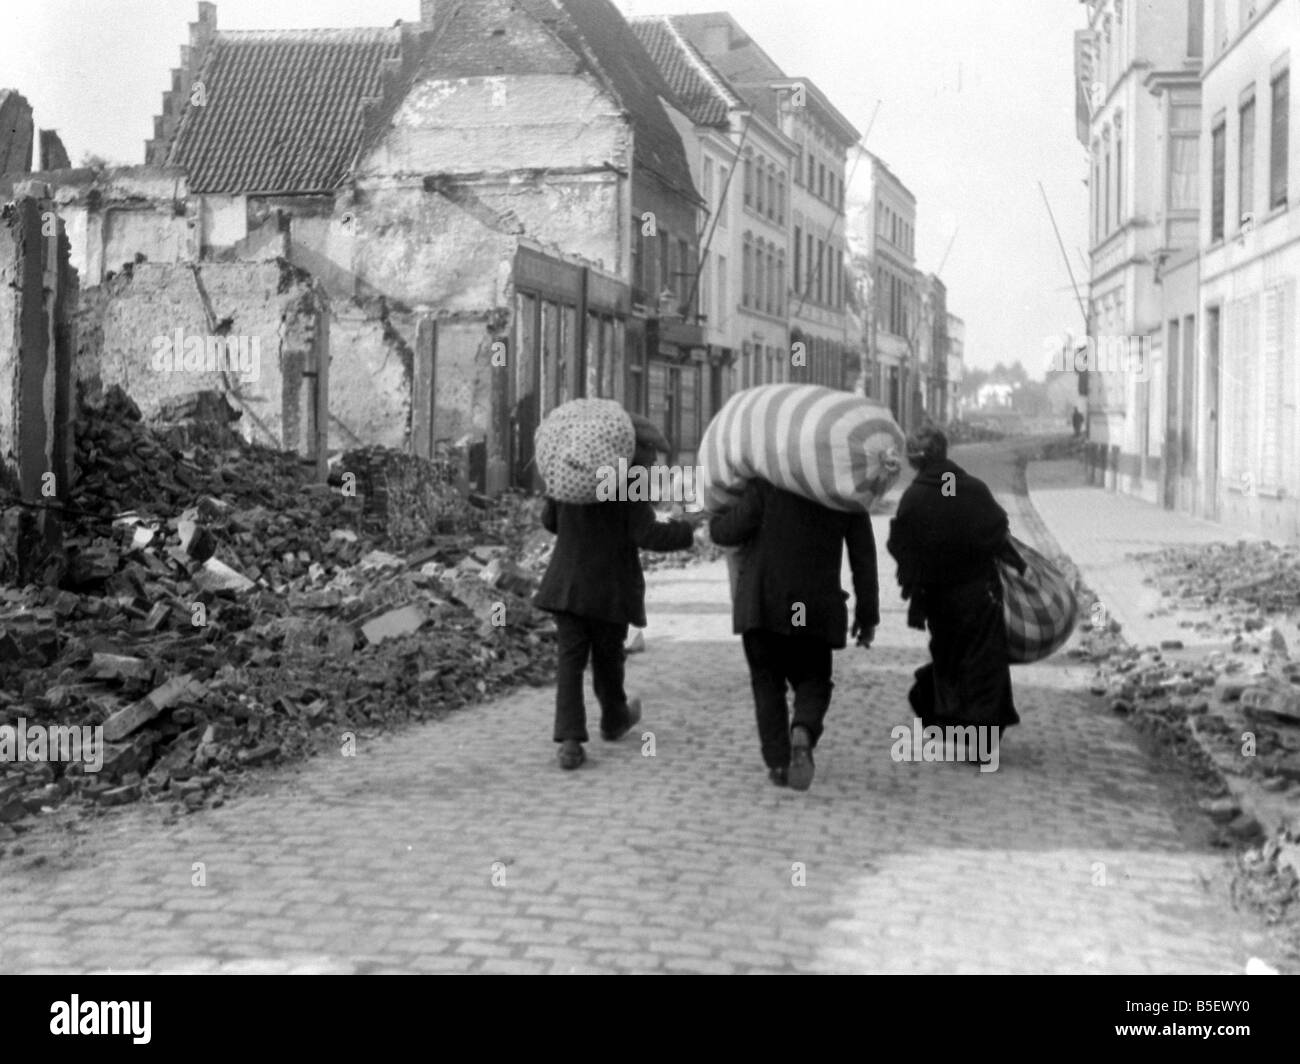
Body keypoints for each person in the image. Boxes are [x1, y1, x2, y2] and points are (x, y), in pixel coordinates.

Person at [534, 420, 700, 771]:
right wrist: (687, 529)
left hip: (566, 585)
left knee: (570, 661)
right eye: (651, 456)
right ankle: (613, 719)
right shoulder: (628, 481)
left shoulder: (570, 474)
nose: (654, 463)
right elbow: (648, 534)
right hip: (609, 589)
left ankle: (570, 741)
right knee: (608, 659)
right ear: (635, 451)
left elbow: (550, 521)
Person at [709, 478, 879, 790]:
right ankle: (802, 729)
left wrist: (715, 514)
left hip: (763, 604)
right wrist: (867, 617)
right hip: (812, 607)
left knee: (767, 682)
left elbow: (725, 533)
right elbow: (863, 559)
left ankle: (777, 763)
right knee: (813, 677)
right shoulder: (842, 489)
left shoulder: (767, 484)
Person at [886, 426, 1019, 750]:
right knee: (984, 663)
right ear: (944, 453)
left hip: (938, 601)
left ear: (916, 462)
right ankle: (981, 738)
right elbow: (998, 529)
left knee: (950, 658)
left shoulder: (914, 497)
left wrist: (920, 571)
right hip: (979, 595)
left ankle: (955, 721)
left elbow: (900, 544)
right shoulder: (971, 488)